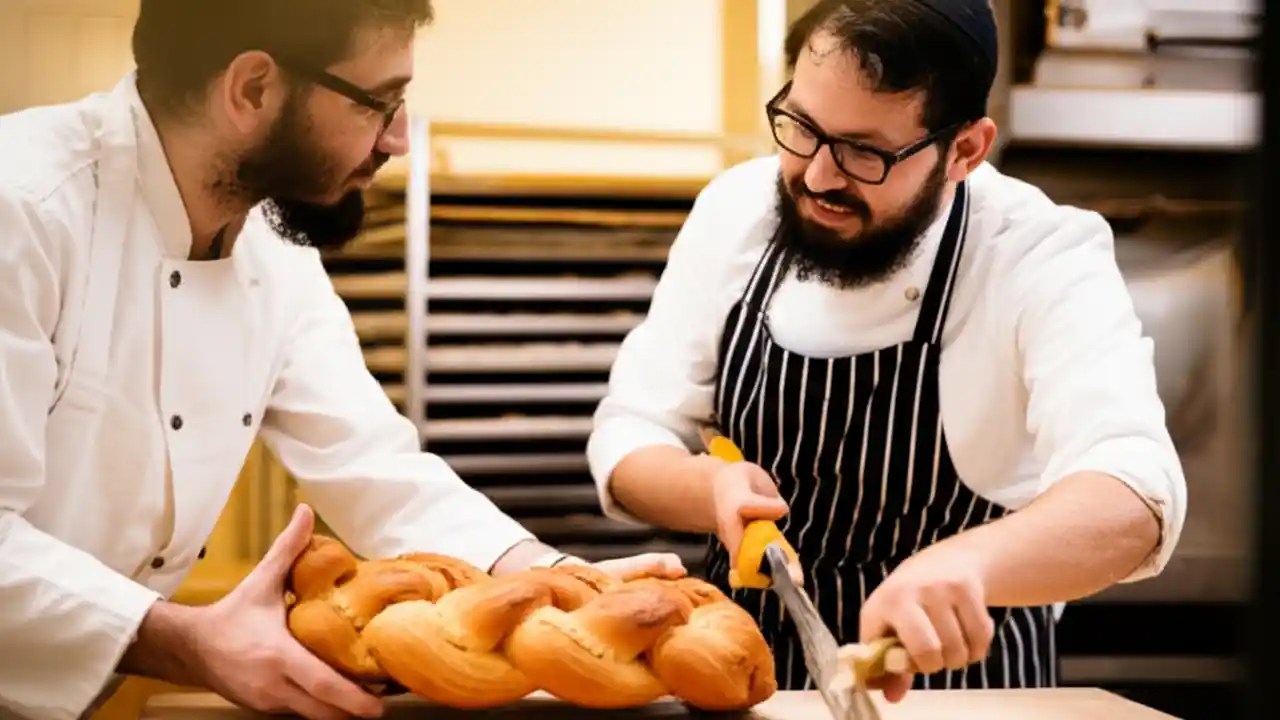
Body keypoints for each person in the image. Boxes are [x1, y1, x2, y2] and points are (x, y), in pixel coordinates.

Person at [0, 2, 685, 719]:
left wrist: (557, 583)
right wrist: (188, 641)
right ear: (253, 89)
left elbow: (373, 464)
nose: (398, 139)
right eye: (379, 102)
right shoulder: (25, 206)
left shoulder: (269, 246)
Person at [587, 0, 1187, 701]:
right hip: (740, 680)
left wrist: (968, 566)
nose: (816, 176)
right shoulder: (736, 210)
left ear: (964, 149)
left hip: (964, 693)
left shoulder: (1038, 253)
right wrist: (708, 489)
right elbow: (631, 431)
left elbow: (1135, 493)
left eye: (863, 153)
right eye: (800, 127)